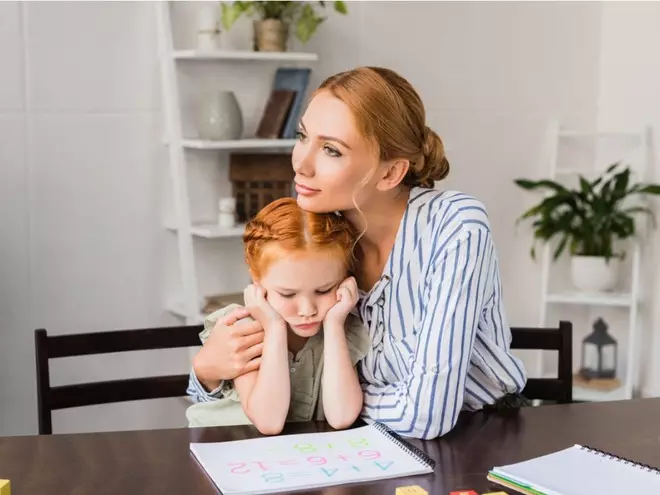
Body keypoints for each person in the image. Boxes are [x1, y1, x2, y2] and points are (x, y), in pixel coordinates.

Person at [188, 66, 528, 440]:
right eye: (303, 136)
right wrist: (206, 371)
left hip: (481, 434)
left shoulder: (454, 226)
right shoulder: (322, 230)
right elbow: (269, 368)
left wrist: (332, 403)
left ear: (390, 173)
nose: (301, 163)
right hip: (358, 441)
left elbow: (427, 416)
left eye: (331, 150)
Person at [185, 197, 370, 434]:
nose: (307, 310)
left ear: (346, 281)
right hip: (222, 448)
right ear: (257, 281)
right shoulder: (241, 327)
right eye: (287, 294)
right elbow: (268, 421)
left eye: (324, 290)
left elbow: (341, 416)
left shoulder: (342, 325)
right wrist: (273, 327)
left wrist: (334, 325)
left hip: (290, 458)